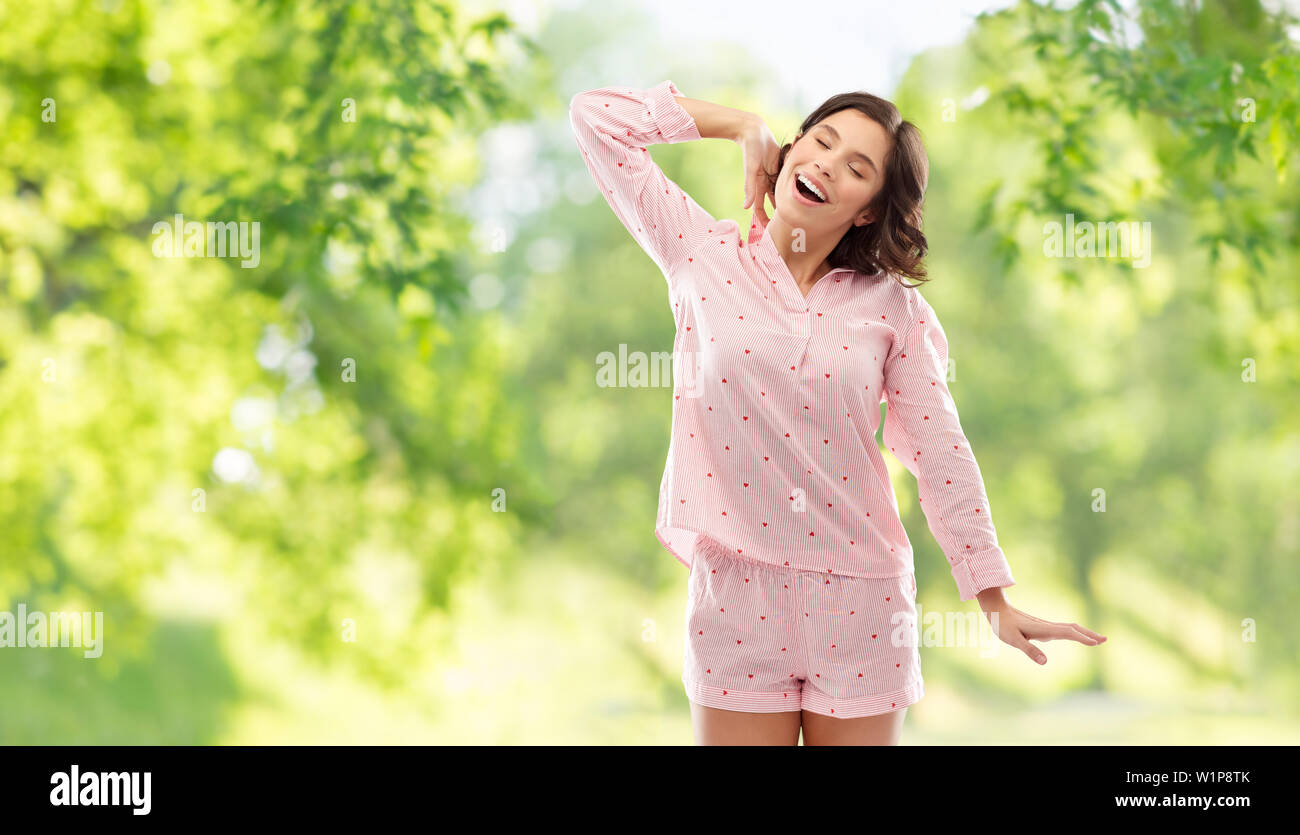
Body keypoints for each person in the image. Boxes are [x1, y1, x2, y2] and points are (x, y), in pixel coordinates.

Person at [569, 80, 1106, 745]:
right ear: (790, 152)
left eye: (856, 168)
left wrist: (990, 597)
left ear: (865, 212)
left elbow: (940, 450)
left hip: (861, 603)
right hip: (736, 598)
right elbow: (596, 118)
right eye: (821, 142)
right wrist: (739, 124)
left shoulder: (893, 311)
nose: (827, 164)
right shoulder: (700, 254)